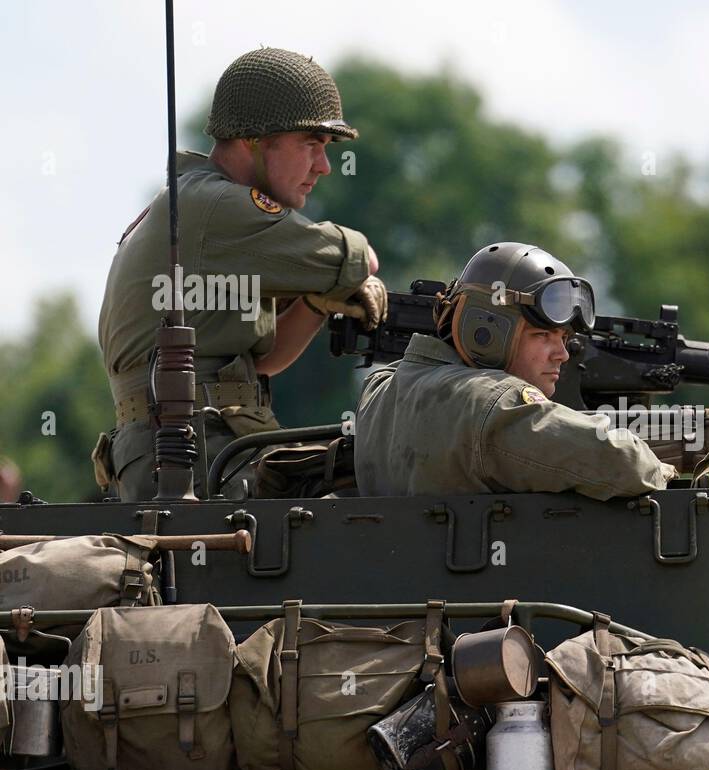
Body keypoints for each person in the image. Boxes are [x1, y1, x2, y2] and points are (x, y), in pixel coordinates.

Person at [94, 47, 386, 501]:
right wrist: (345, 276)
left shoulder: (206, 213)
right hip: (193, 448)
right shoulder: (219, 206)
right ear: (255, 139)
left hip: (200, 441)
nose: (324, 167)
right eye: (311, 145)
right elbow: (359, 258)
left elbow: (263, 362)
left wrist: (314, 303)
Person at [355, 242, 676, 499]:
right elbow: (622, 463)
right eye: (542, 336)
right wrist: (663, 468)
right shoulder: (494, 401)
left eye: (564, 339)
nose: (563, 354)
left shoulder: (380, 389)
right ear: (486, 331)